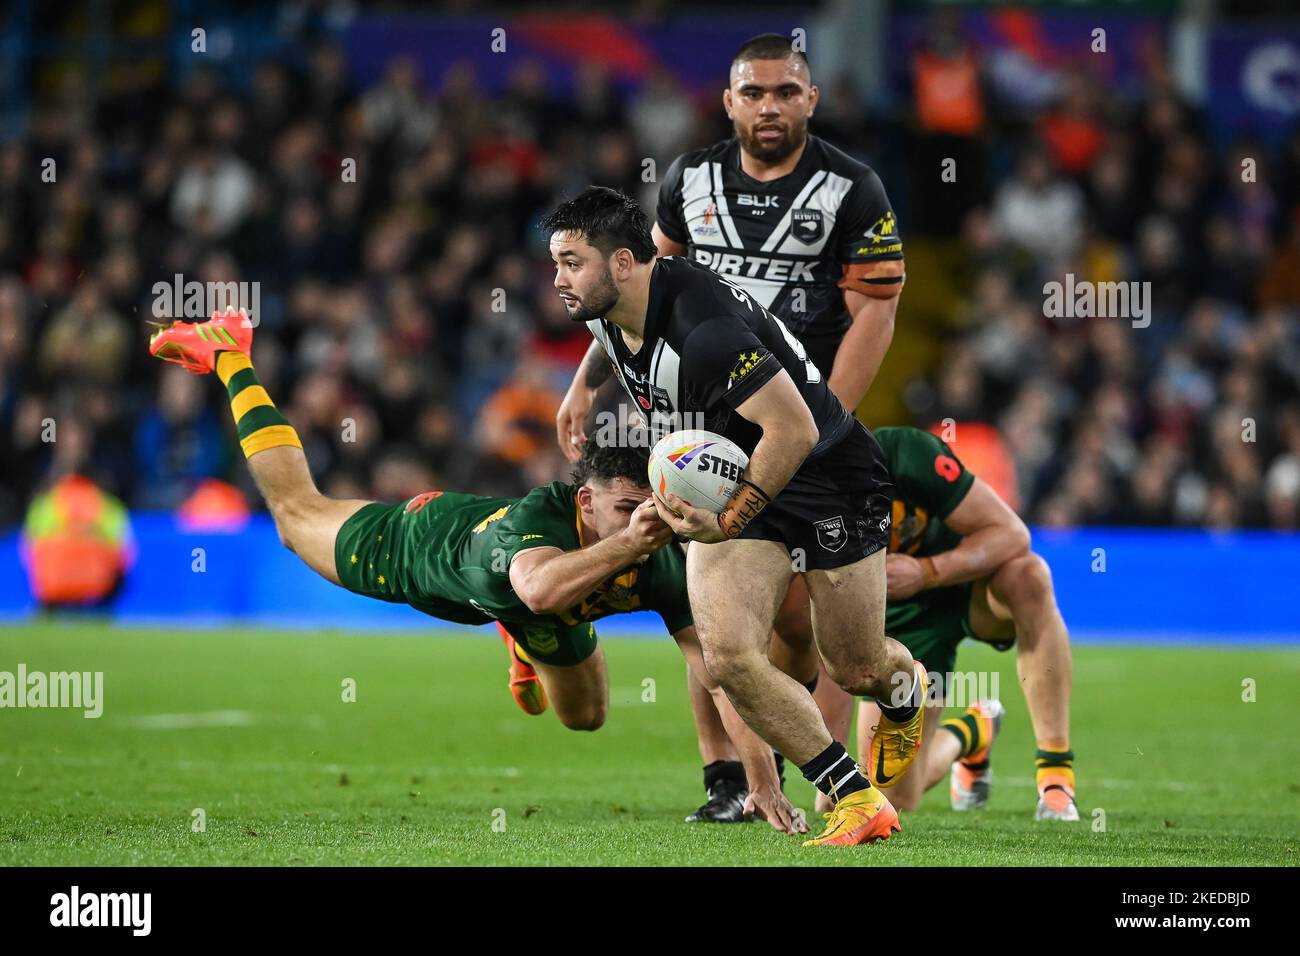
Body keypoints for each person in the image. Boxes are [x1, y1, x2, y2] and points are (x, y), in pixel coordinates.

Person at [146, 307, 805, 836]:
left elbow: (723, 673)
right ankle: (231, 352)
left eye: (650, 505)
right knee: (296, 517)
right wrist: (630, 544)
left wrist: (762, 788)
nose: (644, 518)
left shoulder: (654, 548)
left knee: (587, 718)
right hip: (425, 546)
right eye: (626, 507)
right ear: (586, 501)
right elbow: (540, 586)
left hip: (537, 600)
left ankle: (517, 637)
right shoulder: (548, 531)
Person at [557, 33, 908, 822]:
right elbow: (630, 295)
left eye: (786, 91)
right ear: (728, 102)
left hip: (811, 444)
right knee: (726, 649)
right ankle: (841, 795)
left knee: (849, 663)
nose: (770, 106)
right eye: (754, 93)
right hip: (725, 441)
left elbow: (872, 314)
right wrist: (583, 387)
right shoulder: (681, 197)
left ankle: (903, 690)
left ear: (811, 99)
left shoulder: (852, 191)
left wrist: (820, 426)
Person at [691, 426, 1079, 821]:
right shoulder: (792, 482)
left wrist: (928, 571)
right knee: (873, 798)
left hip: (962, 591)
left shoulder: (906, 453)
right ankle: (970, 734)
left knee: (1029, 575)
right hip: (875, 634)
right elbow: (802, 626)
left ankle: (1055, 775)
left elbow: (1012, 533)